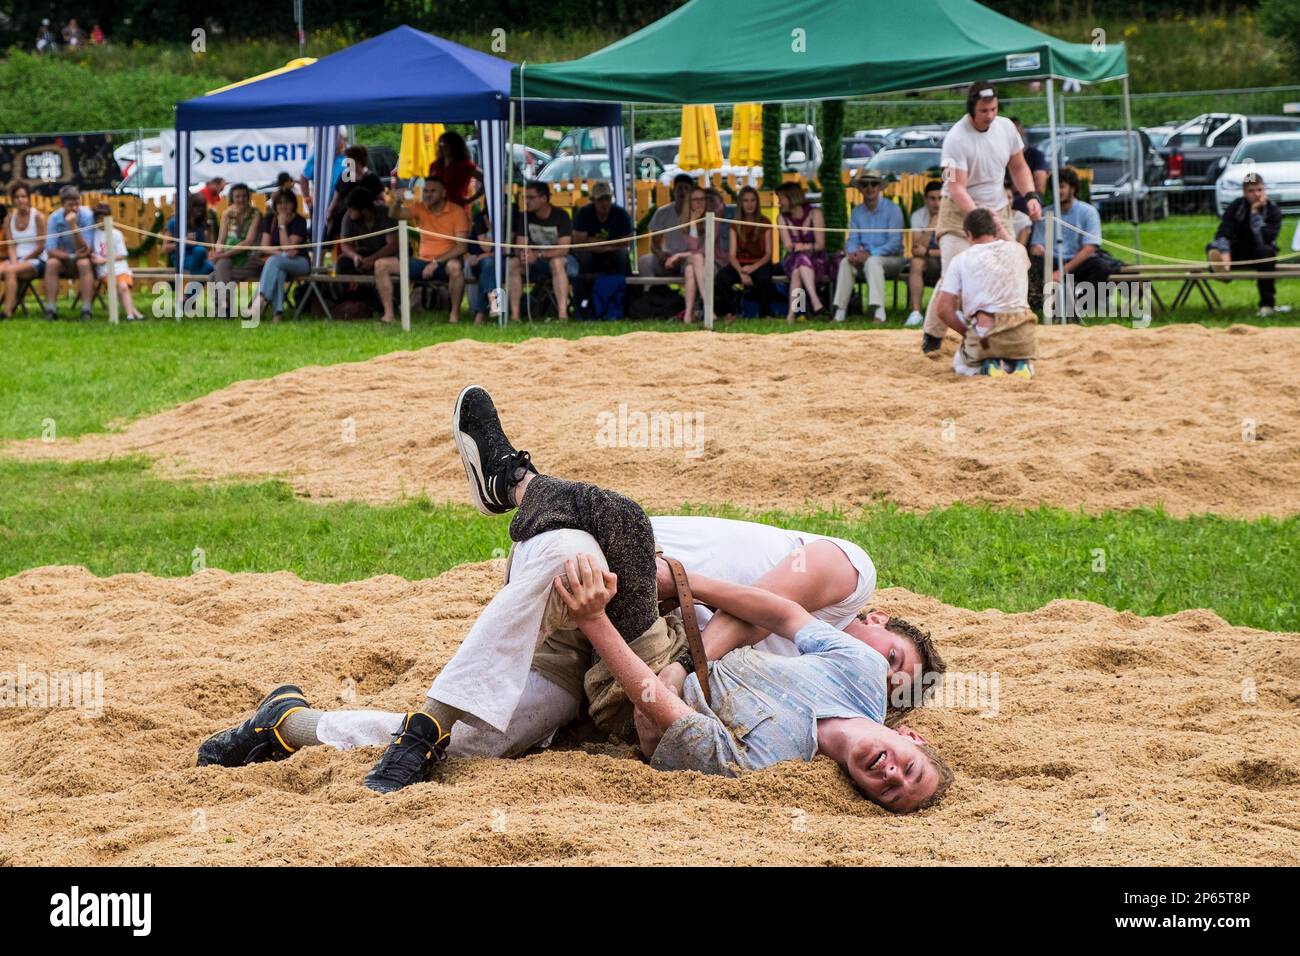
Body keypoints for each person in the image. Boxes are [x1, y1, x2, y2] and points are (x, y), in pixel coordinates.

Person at [197, 387, 947, 805]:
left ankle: (292, 722)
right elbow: (767, 606)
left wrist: (640, 649)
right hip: (612, 578)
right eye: (891, 660)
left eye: (893, 791)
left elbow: (666, 723)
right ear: (874, 625)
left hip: (618, 641)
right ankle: (519, 486)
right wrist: (668, 589)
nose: (888, 682)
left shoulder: (783, 759)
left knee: (483, 741)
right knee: (604, 528)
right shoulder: (849, 585)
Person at [555, 553, 951, 812]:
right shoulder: (864, 672)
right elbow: (784, 614)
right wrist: (686, 583)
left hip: (634, 686)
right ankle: (513, 483)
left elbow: (658, 706)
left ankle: (513, 483)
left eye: (890, 792)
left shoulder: (772, 769)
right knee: (606, 538)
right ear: (913, 737)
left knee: (620, 528)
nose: (893, 775)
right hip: (682, 646)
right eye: (910, 769)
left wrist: (593, 620)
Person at [921, 81, 1042, 355]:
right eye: (984, 110)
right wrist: (978, 216)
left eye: (994, 109)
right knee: (953, 271)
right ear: (972, 110)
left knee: (1011, 267)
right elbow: (955, 187)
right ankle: (933, 333)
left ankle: (1011, 328)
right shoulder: (955, 139)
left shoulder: (1006, 128)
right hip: (958, 212)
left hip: (998, 209)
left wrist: (1032, 195)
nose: (990, 115)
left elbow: (1019, 166)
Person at [934, 208, 1038, 379]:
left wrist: (966, 333)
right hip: (1023, 336)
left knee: (960, 363)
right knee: (1016, 350)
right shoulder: (1018, 250)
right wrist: (999, 226)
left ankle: (987, 365)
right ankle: (1019, 365)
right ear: (995, 230)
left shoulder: (961, 259)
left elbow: (943, 310)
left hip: (987, 335)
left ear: (968, 234)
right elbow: (1013, 245)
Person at [375, 177, 470, 325]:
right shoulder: (420, 207)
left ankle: (454, 314)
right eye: (425, 191)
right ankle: (389, 314)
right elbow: (394, 214)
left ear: (443, 193)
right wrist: (397, 201)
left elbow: (462, 247)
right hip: (421, 262)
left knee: (455, 268)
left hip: (444, 263)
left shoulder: (457, 212)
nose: (428, 194)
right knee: (381, 265)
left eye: (433, 191)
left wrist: (436, 262)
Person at [1029, 166, 1120, 318]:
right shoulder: (1045, 213)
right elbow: (1036, 245)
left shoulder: (1088, 212)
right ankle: (1043, 305)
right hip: (1052, 260)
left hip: (1077, 260)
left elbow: (1089, 249)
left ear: (1073, 188)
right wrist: (1037, 249)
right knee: (1032, 264)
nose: (1058, 191)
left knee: (1101, 267)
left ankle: (1081, 306)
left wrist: (1062, 271)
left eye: (1062, 186)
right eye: (1055, 187)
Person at [1206, 171, 1287, 318]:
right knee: (1212, 246)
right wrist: (1225, 253)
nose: (1256, 194)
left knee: (1266, 251)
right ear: (1244, 192)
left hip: (1260, 252)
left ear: (1264, 190)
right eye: (1251, 191)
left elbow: (1266, 238)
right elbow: (1223, 232)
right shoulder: (1236, 206)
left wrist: (1255, 213)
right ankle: (1222, 271)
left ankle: (1267, 305)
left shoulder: (1273, 210)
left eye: (1259, 190)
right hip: (1236, 251)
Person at [832, 171, 905, 323]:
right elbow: (852, 239)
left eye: (874, 184)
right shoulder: (856, 212)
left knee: (873, 262)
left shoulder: (893, 210)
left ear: (880, 187)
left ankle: (879, 312)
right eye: (865, 184)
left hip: (892, 259)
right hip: (866, 258)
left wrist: (870, 253)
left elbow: (895, 243)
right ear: (860, 188)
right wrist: (852, 254)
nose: (869, 187)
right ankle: (840, 312)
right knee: (846, 262)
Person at [508, 181, 577, 321]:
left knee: (556, 262)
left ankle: (562, 315)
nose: (526, 201)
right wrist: (524, 255)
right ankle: (515, 316)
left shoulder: (561, 215)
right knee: (513, 263)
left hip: (566, 264)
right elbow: (520, 244)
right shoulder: (525, 217)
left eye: (531, 197)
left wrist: (538, 254)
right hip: (536, 263)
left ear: (544, 199)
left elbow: (564, 249)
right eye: (525, 197)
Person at [247, 188, 310, 326]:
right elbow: (264, 247)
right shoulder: (269, 219)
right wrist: (281, 254)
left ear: (294, 204)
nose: (283, 206)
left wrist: (282, 225)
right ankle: (278, 313)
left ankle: (261, 299)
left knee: (274, 261)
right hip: (279, 261)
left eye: (287, 202)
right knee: (278, 269)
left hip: (300, 262)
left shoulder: (300, 221)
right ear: (275, 205)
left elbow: (288, 247)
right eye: (280, 203)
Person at [571, 181, 632, 318]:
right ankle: (585, 297)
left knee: (622, 254)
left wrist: (594, 242)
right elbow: (579, 243)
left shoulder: (620, 214)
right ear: (593, 200)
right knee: (584, 255)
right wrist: (609, 244)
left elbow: (624, 243)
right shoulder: (584, 214)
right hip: (592, 256)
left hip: (613, 256)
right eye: (600, 200)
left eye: (608, 199)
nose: (605, 203)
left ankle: (624, 298)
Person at [716, 184, 775, 321]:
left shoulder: (765, 222)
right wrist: (742, 272)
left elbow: (768, 254)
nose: (750, 204)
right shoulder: (735, 224)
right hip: (740, 263)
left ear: (757, 202)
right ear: (740, 203)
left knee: (764, 279)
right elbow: (731, 255)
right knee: (722, 278)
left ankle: (765, 313)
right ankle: (731, 312)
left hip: (760, 263)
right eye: (746, 200)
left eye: (753, 200)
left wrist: (753, 268)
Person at [335, 187, 397, 316]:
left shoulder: (386, 213)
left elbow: (393, 245)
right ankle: (349, 300)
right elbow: (345, 245)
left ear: (363, 209)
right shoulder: (348, 217)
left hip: (388, 255)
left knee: (381, 264)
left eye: (352, 209)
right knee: (343, 263)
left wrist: (372, 259)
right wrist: (355, 256)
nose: (348, 212)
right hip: (365, 253)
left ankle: (385, 304)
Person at [776, 182, 830, 321]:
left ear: (792, 197)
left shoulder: (815, 213)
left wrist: (804, 247)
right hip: (792, 259)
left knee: (798, 270)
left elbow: (820, 245)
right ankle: (815, 302)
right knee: (799, 261)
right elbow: (788, 246)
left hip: (816, 259)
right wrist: (798, 248)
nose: (779, 202)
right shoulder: (782, 218)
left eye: (781, 198)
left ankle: (792, 315)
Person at [43, 185, 97, 321]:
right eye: (70, 205)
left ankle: (86, 309)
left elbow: (86, 249)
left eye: (77, 204)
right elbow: (51, 250)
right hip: (63, 259)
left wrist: (73, 226)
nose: (74, 208)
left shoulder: (87, 216)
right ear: (62, 205)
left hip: (83, 260)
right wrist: (71, 256)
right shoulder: (54, 218)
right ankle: (50, 309)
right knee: (51, 264)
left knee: (84, 263)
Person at [88, 203, 143, 321]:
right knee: (119, 287)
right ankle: (134, 314)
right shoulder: (93, 234)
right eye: (99, 218)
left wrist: (104, 259)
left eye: (104, 218)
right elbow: (92, 252)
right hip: (104, 271)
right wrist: (94, 257)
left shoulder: (116, 234)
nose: (101, 221)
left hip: (120, 268)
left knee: (122, 287)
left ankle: (131, 314)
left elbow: (122, 254)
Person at [0, 182, 47, 319]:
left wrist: (21, 262)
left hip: (37, 260)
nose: (20, 200)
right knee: (10, 270)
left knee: (10, 271)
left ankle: (7, 312)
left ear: (28, 198)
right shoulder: (9, 219)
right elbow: (11, 245)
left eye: (23, 196)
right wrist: (15, 261)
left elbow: (40, 246)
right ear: (12, 199)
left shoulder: (38, 217)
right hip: (16, 259)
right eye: (17, 197)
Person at [636, 173, 693, 277]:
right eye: (679, 188)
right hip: (667, 257)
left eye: (686, 189)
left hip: (687, 257)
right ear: (674, 190)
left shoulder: (697, 213)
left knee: (692, 263)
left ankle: (692, 293)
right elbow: (654, 244)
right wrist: (661, 255)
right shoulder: (662, 212)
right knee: (644, 261)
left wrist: (681, 257)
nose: (683, 192)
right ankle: (650, 290)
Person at [905, 180, 943, 327]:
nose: (937, 203)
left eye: (940, 198)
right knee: (916, 262)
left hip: (949, 260)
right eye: (932, 198)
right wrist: (932, 225)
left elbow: (953, 251)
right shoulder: (917, 216)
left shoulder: (952, 216)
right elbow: (916, 249)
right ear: (925, 199)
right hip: (932, 261)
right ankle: (916, 313)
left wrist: (928, 251)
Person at [208, 182, 264, 284]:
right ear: (232, 198)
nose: (241, 199)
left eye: (244, 196)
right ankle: (225, 300)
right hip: (229, 258)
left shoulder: (256, 214)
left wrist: (224, 255)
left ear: (248, 197)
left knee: (214, 277)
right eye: (237, 196)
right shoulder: (227, 213)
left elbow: (248, 242)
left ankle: (223, 300)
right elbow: (221, 239)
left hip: (250, 259)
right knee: (222, 265)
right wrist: (219, 252)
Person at [426, 130, 484, 208]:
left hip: (456, 211)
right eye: (440, 144)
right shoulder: (434, 165)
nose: (441, 146)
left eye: (444, 144)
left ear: (454, 146)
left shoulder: (465, 165)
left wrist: (469, 200)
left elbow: (488, 181)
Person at [162, 195, 215, 277]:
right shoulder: (174, 223)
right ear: (188, 207)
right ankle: (193, 285)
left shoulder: (202, 224)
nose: (199, 209)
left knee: (209, 265)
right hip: (181, 258)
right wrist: (184, 242)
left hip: (201, 257)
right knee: (203, 258)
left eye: (201, 206)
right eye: (195, 206)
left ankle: (191, 288)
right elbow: (165, 248)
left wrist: (208, 234)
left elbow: (208, 248)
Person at [300, 131, 348, 215]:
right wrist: (308, 200)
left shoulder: (349, 155)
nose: (335, 142)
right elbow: (304, 177)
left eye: (340, 139)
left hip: (344, 207)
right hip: (321, 207)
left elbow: (352, 181)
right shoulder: (320, 154)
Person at [1009, 117, 1050, 213]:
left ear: (1022, 131)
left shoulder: (1036, 155)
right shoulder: (1002, 155)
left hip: (1026, 201)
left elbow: (1040, 186)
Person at [465, 208, 494, 325]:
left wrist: (487, 255)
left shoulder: (512, 217)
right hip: (477, 260)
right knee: (488, 265)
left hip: (500, 260)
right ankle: (494, 302)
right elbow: (486, 247)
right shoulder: (480, 219)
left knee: (487, 267)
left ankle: (480, 315)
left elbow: (506, 249)